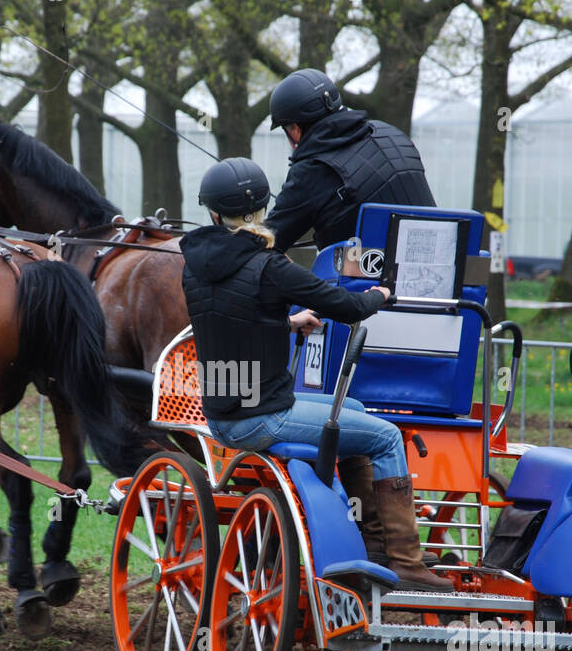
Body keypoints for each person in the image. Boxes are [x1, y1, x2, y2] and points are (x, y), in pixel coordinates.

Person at [180, 157, 453, 592]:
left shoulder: (195, 265)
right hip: (264, 416)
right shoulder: (269, 266)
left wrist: (287, 323)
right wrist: (381, 293)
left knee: (355, 409)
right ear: (262, 211)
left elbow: (229, 318)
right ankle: (406, 560)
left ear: (213, 213)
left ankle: (373, 542)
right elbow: (345, 307)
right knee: (385, 436)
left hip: (221, 415)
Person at [264, 68, 436, 254]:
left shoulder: (312, 170)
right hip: (442, 268)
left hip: (366, 279)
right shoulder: (391, 134)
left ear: (295, 129)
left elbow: (267, 240)